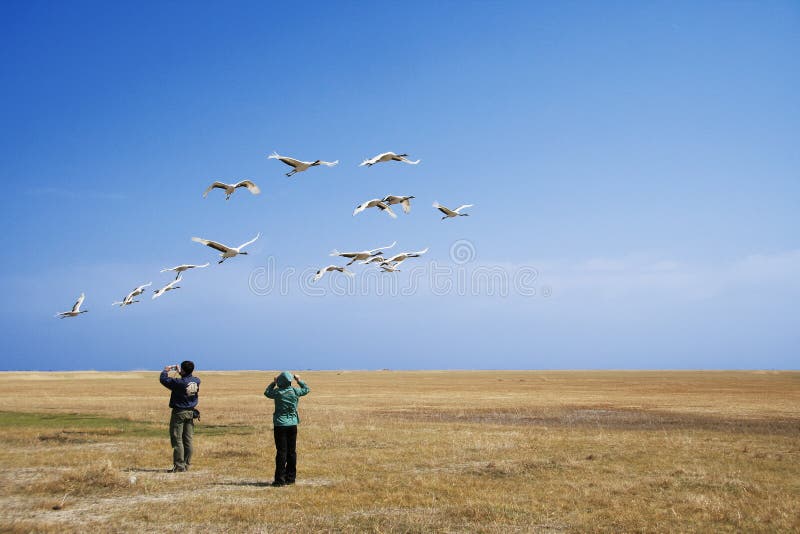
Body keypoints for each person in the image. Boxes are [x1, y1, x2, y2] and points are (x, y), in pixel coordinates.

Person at [264, 371, 310, 486]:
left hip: (280, 425)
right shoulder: (295, 391)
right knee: (291, 452)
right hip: (292, 424)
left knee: (281, 452)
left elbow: (267, 393)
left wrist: (273, 383)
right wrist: (299, 380)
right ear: (290, 381)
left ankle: (279, 480)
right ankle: (290, 478)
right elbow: (306, 389)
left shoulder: (277, 392)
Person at [159, 361, 200, 473]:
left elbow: (164, 380)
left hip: (179, 413)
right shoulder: (196, 381)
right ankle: (186, 464)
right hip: (191, 413)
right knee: (188, 439)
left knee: (177, 439)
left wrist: (165, 370)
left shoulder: (179, 383)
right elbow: (186, 381)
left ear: (183, 370)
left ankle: (179, 466)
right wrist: (181, 372)